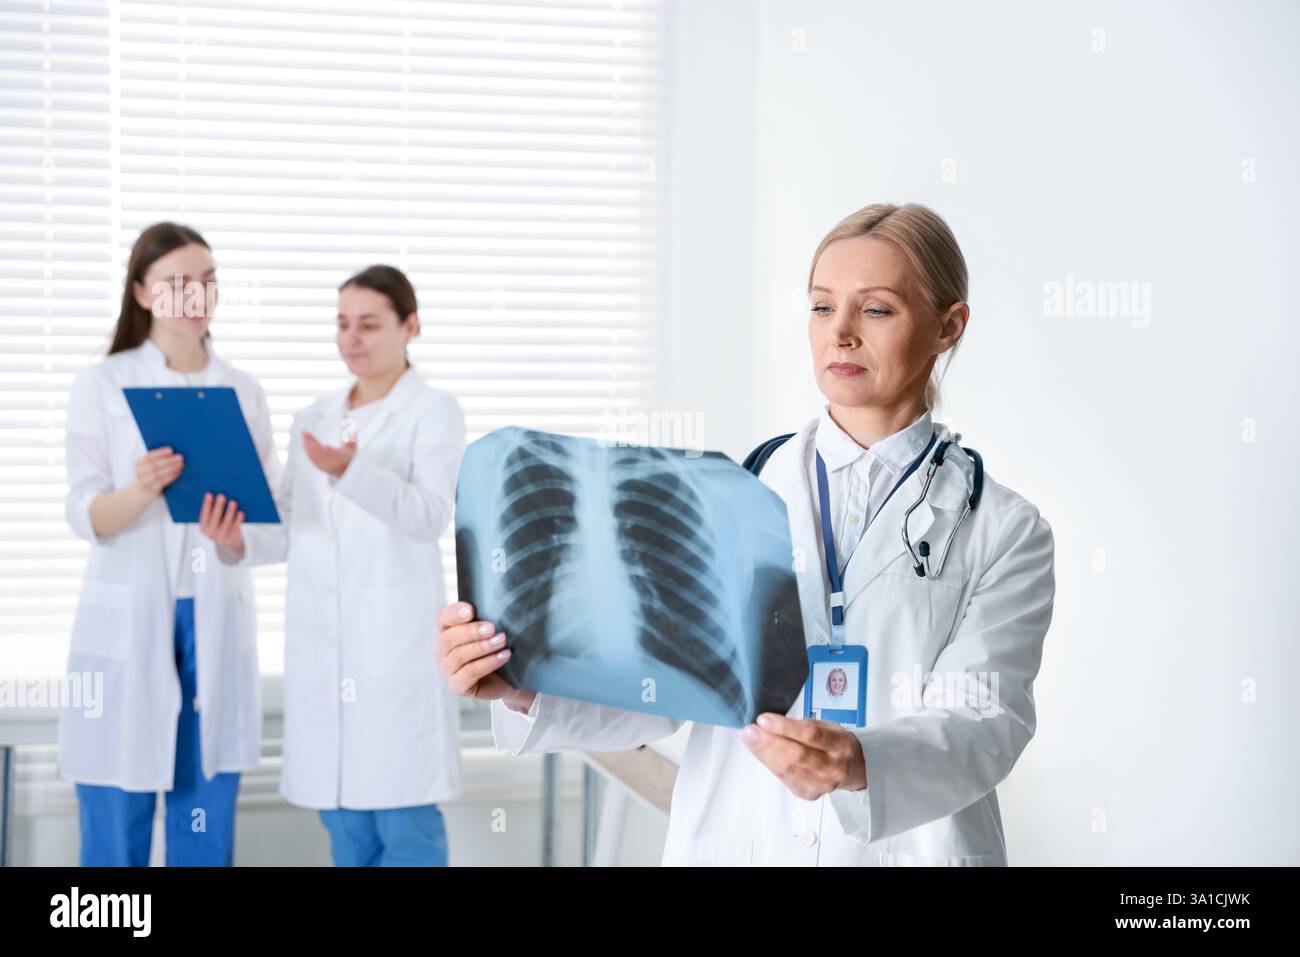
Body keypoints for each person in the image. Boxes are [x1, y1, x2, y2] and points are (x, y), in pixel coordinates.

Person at [437, 202, 1055, 866]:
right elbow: (659, 691)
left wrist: (862, 762)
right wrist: (521, 684)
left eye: (875, 309)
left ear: (948, 326)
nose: (840, 333)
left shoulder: (1005, 529)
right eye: (821, 307)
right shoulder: (732, 494)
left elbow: (987, 722)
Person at [213, 265, 466, 866]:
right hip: (322, 657)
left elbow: (429, 515)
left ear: (411, 326)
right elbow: (287, 530)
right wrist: (233, 542)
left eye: (369, 325)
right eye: (342, 324)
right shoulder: (314, 418)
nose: (351, 339)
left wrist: (349, 471)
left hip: (394, 656)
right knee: (345, 828)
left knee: (406, 825)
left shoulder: (433, 412)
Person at [62, 222, 279, 866]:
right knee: (114, 799)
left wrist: (235, 537)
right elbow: (84, 510)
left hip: (212, 607)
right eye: (178, 283)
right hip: (129, 611)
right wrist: (140, 491)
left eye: (208, 282)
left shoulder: (245, 390)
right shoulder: (102, 384)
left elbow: (270, 522)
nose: (197, 298)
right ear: (142, 293)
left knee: (204, 800)